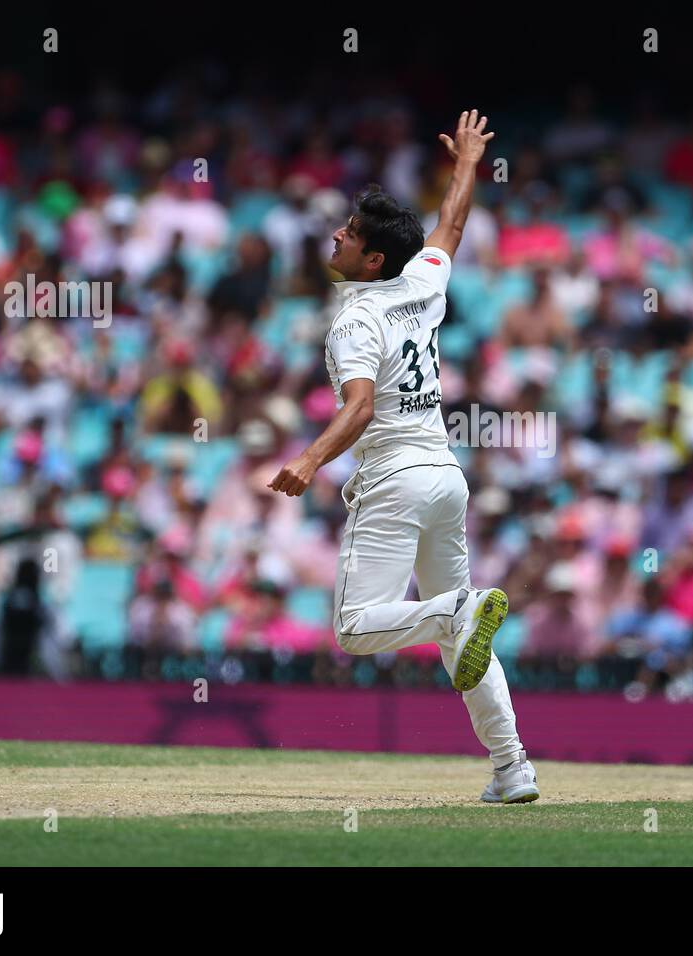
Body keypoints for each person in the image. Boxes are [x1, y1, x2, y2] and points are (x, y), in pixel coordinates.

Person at [266, 111, 538, 805]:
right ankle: (513, 767)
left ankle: (455, 611)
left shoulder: (354, 320)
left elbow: (358, 409)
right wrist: (469, 164)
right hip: (446, 477)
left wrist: (309, 459)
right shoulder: (422, 283)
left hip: (393, 476)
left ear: (373, 260)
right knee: (463, 637)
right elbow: (450, 227)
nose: (337, 235)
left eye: (350, 234)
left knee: (358, 630)